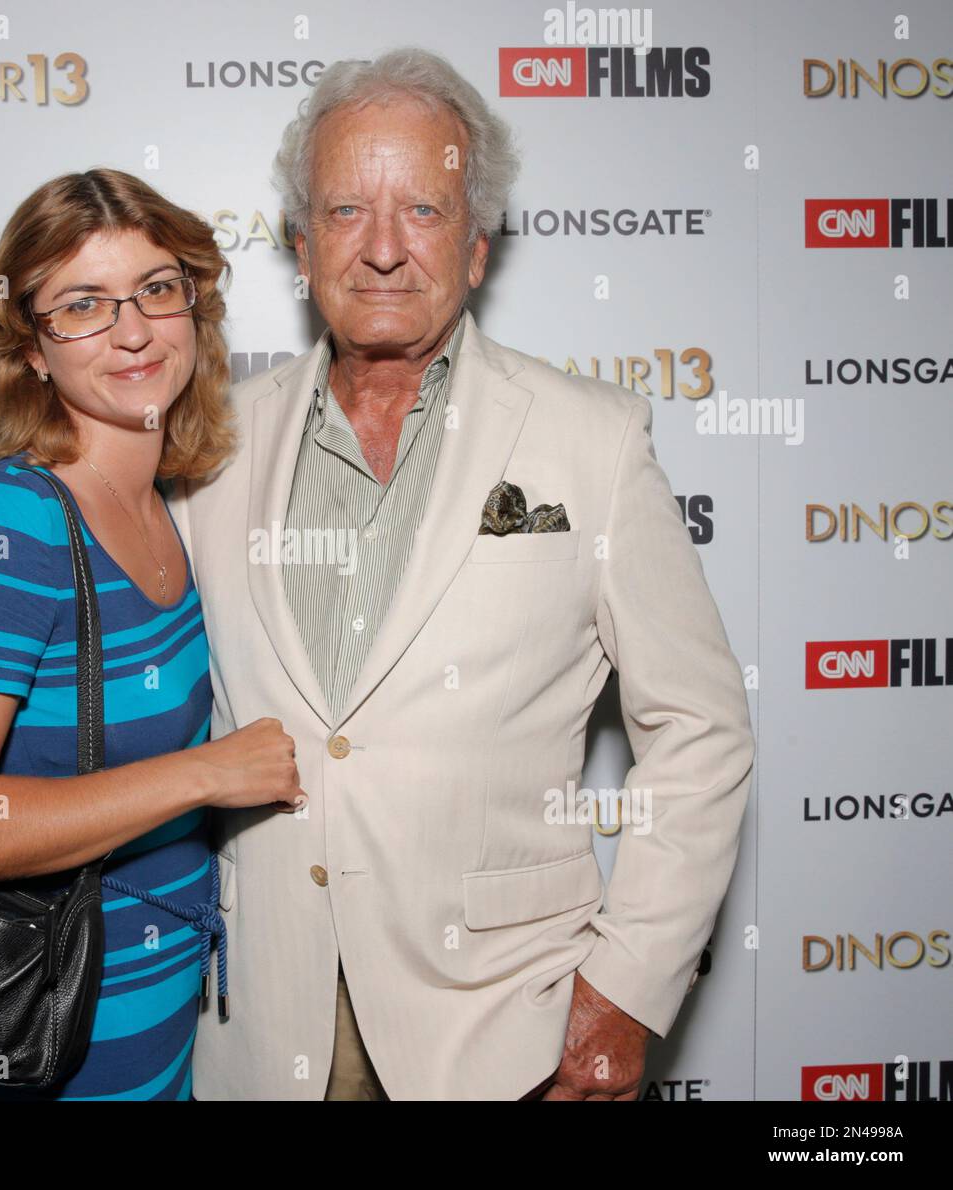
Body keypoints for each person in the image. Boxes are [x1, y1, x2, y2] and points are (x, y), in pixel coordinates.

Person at [168, 47, 756, 1100]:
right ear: (301, 245)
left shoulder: (593, 441)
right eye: (346, 210)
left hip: (507, 1030)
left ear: (477, 246)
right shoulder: (210, 447)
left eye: (424, 212)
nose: (383, 250)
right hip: (261, 1029)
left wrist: (624, 988)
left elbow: (701, 729)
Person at [0, 168, 303, 1101]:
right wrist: (206, 772)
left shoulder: (171, 506)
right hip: (46, 1060)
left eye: (157, 288)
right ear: (30, 348)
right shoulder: (9, 525)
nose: (133, 329)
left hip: (169, 1050)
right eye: (82, 304)